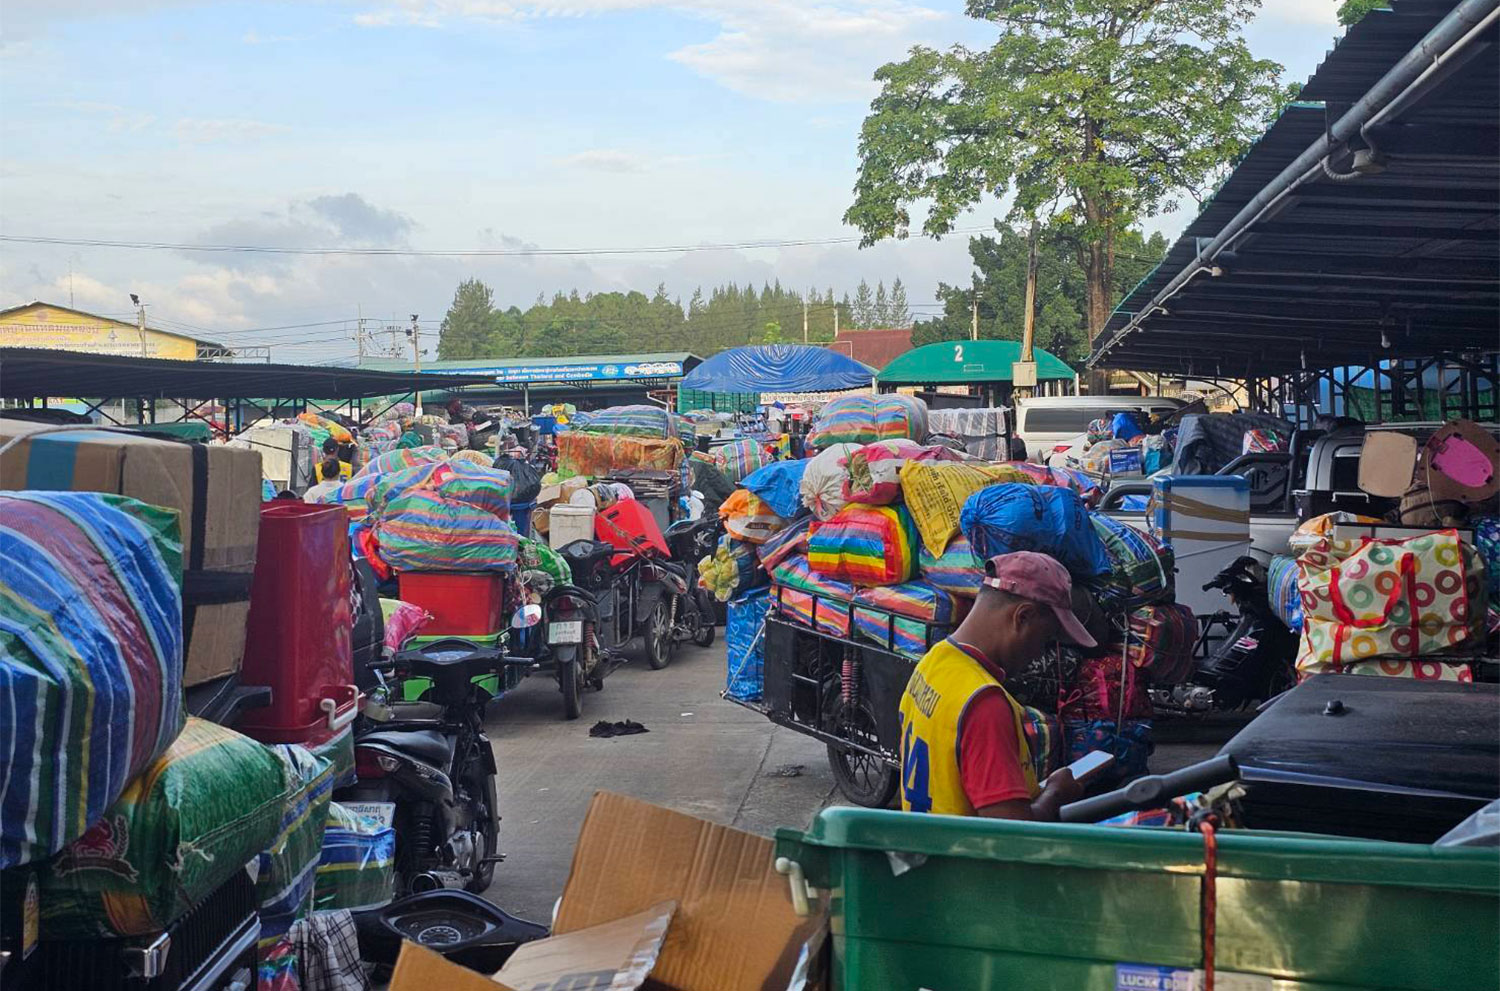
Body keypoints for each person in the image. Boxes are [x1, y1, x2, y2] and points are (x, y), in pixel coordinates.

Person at [898, 552, 1094, 820]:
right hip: (964, 860)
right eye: (1045, 638)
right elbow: (1008, 836)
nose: (1039, 653)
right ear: (1022, 617)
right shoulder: (984, 703)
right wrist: (1056, 794)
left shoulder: (933, 662)